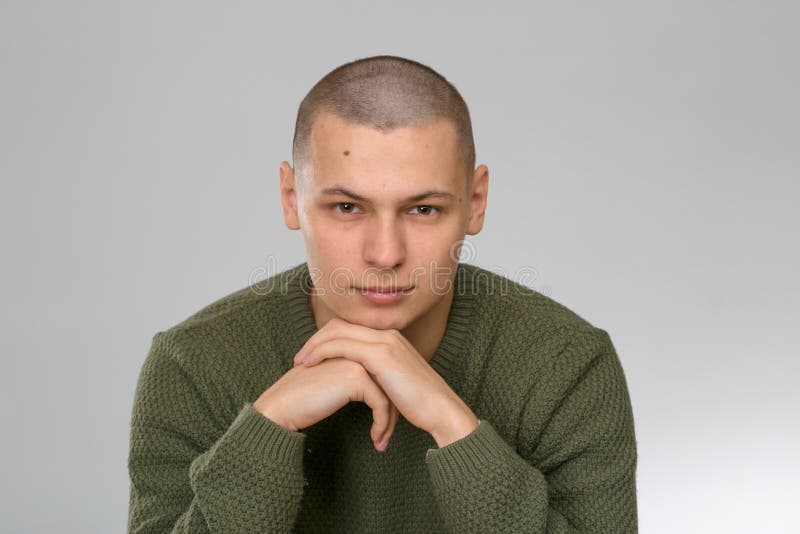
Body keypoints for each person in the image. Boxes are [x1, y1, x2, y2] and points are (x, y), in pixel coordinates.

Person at [127, 54, 638, 533]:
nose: (385, 254)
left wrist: (453, 426)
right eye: (347, 208)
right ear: (290, 198)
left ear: (476, 202)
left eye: (423, 210)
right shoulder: (194, 363)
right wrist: (268, 427)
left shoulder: (566, 363)